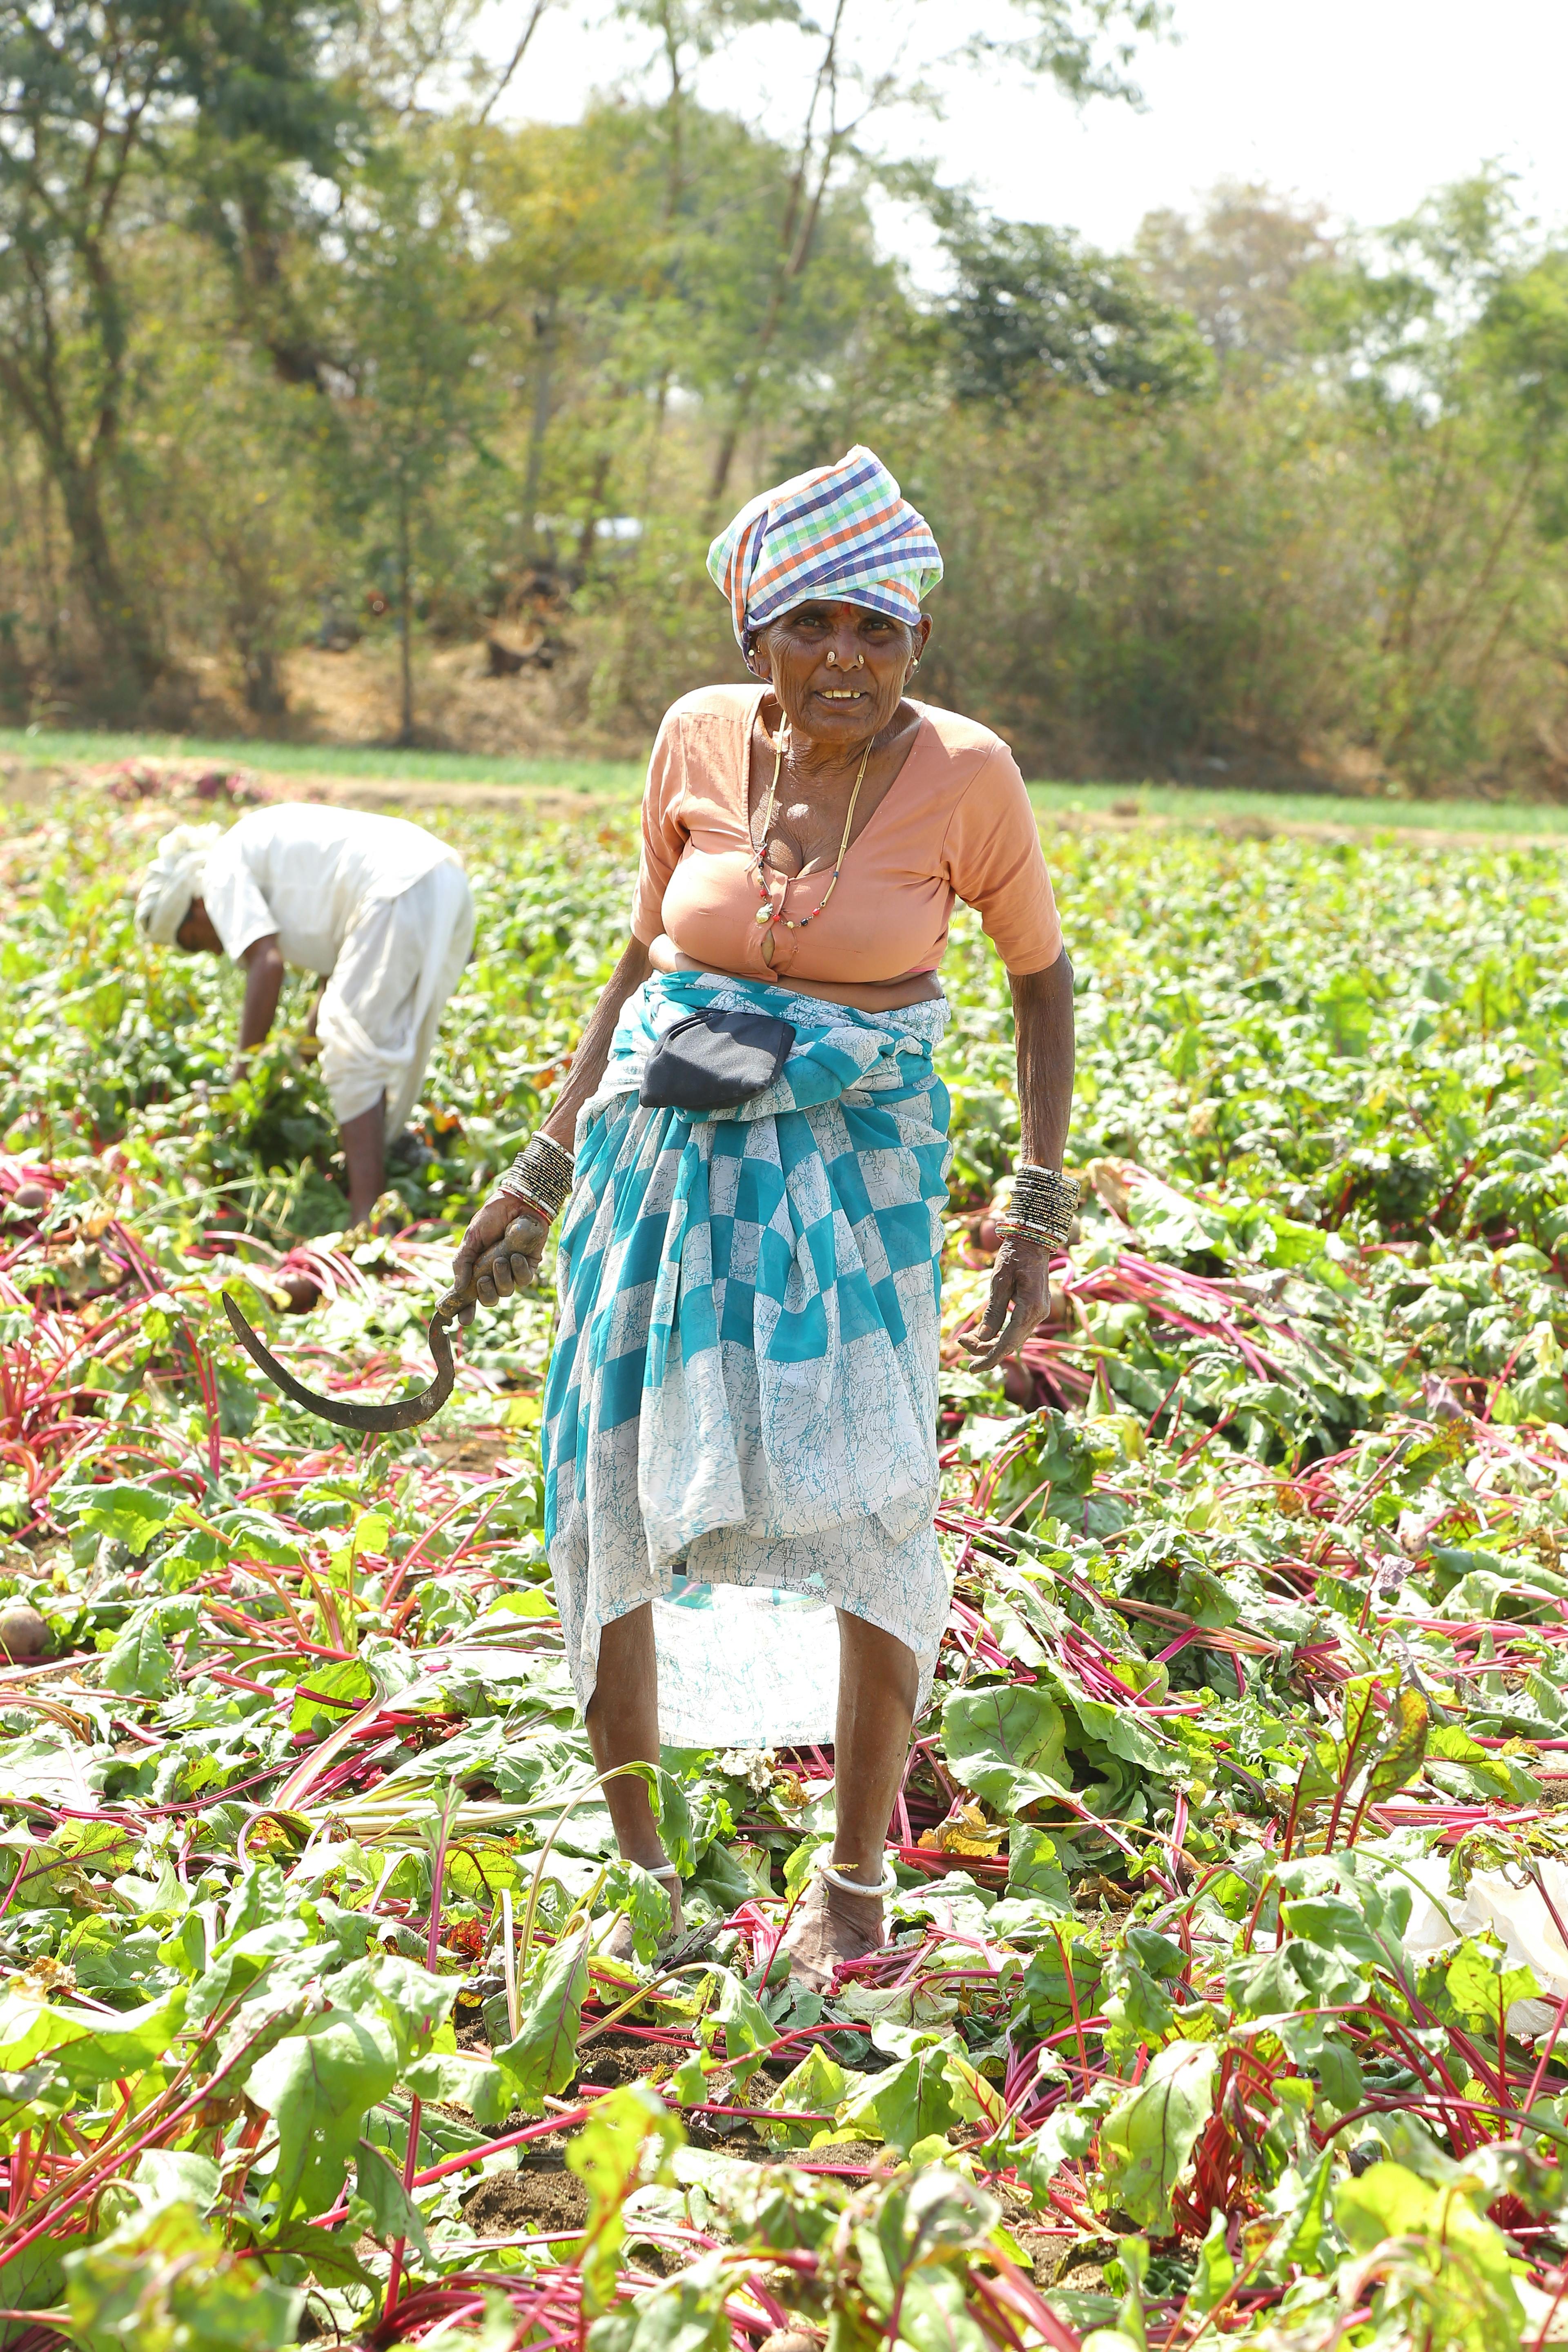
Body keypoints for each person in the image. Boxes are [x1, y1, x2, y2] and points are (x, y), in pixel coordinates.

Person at [449, 445, 1076, 1986]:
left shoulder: (968, 775)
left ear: (917, 642)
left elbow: (1038, 981)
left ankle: (855, 1880)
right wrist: (542, 1168)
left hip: (855, 1182)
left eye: (881, 628)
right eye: (814, 624)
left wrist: (1039, 1205)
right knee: (606, 1480)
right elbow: (640, 956)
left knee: (868, 1494)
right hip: (661, 1161)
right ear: (756, 638)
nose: (848, 657)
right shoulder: (694, 743)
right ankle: (642, 1863)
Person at [135, 804, 475, 1227]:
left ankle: (366, 1219)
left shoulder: (219, 872)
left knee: (352, 1054)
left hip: (399, 889)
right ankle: (386, 1172)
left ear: (196, 908)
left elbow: (268, 963)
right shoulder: (252, 852)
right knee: (371, 1039)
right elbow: (335, 979)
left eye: (194, 940)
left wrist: (242, 1081)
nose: (211, 949)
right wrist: (300, 1057)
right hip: (442, 879)